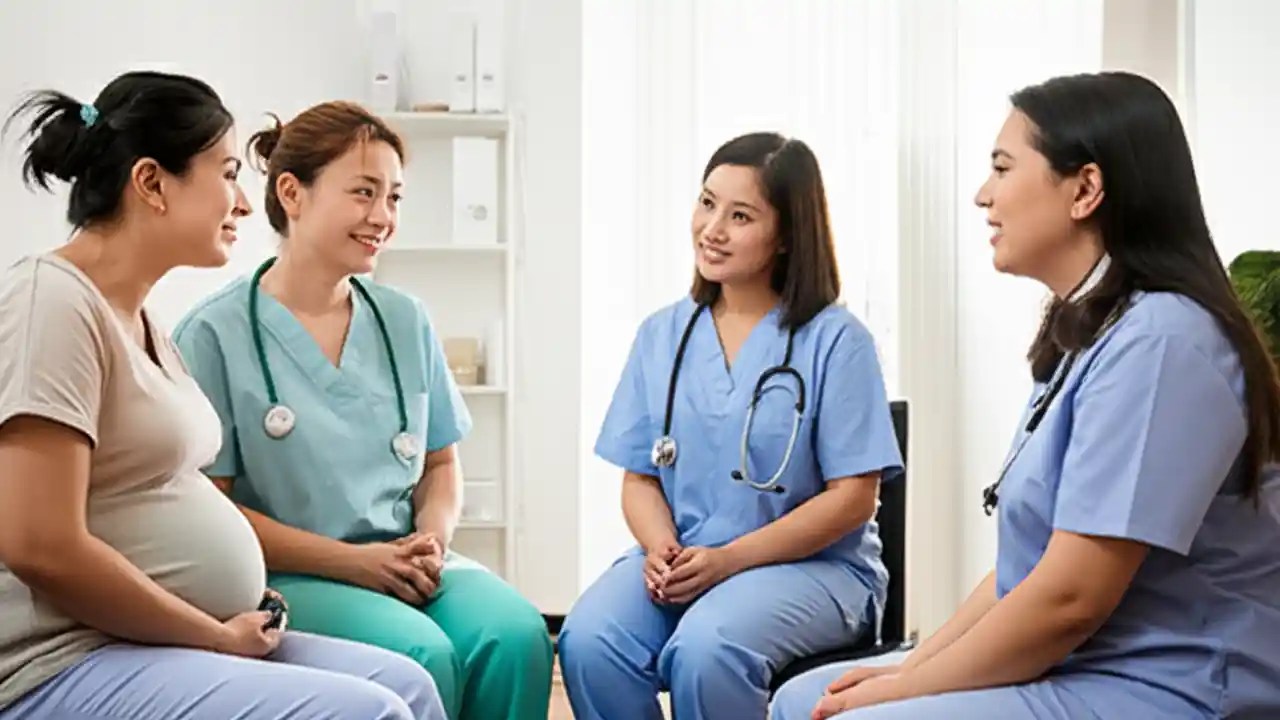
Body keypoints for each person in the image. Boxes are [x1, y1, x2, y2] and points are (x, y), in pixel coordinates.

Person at [771, 71, 1280, 720]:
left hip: (1173, 684)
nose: (984, 196)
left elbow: (1070, 599)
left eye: (1003, 168)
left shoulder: (1164, 342)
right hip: (1088, 660)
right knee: (801, 698)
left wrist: (899, 690)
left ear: (1086, 188)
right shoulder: (1090, 333)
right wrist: (908, 668)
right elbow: (1024, 575)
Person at [0, 72, 446, 720]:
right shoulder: (53, 304)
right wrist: (209, 634)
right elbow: (39, 544)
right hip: (67, 658)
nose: (243, 202)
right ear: (152, 183)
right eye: (228, 172)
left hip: (162, 636)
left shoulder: (139, 317)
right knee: (370, 713)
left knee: (408, 686)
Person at [170, 101, 553, 720]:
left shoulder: (404, 318)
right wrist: (357, 563)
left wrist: (431, 539)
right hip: (291, 575)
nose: (383, 217)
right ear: (292, 194)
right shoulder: (214, 334)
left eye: (395, 198)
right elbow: (213, 512)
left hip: (407, 561)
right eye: (364, 193)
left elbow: (440, 462)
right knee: (421, 653)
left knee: (515, 634)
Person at [557, 132, 904, 720]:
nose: (711, 228)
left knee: (707, 650)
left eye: (740, 215)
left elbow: (853, 500)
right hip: (688, 562)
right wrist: (661, 546)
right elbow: (640, 476)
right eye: (706, 202)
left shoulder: (837, 341)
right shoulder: (663, 335)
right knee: (589, 640)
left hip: (814, 572)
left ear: (789, 234)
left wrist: (730, 559)